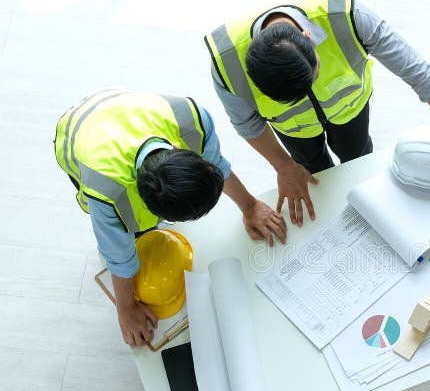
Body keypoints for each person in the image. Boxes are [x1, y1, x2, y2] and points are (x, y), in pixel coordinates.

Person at [205, 0, 430, 228]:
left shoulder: (346, 15)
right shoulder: (227, 64)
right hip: (294, 131)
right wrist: (283, 167)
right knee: (313, 172)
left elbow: (419, 72)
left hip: (351, 111)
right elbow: (248, 124)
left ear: (308, 37)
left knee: (358, 156)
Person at [54, 89, 287, 347]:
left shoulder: (192, 121)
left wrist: (250, 206)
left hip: (120, 106)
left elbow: (216, 163)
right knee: (126, 236)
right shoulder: (106, 192)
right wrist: (126, 309)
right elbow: (118, 255)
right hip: (77, 131)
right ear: (152, 208)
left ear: (181, 149)